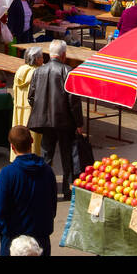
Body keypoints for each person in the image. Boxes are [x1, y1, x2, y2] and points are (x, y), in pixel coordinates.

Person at [0, 126, 58, 257]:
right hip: (40, 241)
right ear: (32, 141)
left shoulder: (7, 174)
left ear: (12, 147)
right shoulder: (48, 171)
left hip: (13, 243)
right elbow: (52, 207)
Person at [27, 40, 84, 200]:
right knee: (67, 156)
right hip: (64, 122)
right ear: (64, 55)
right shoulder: (68, 71)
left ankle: (44, 188)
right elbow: (74, 101)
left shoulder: (39, 72)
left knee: (46, 155)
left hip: (45, 122)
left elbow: (31, 97)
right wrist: (79, 123)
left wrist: (41, 109)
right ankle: (67, 189)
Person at [11, 47, 45, 161]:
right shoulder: (39, 72)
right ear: (36, 59)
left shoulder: (20, 71)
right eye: (41, 57)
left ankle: (16, 156)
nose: (43, 59)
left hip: (19, 110)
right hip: (33, 112)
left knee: (19, 136)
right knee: (33, 139)